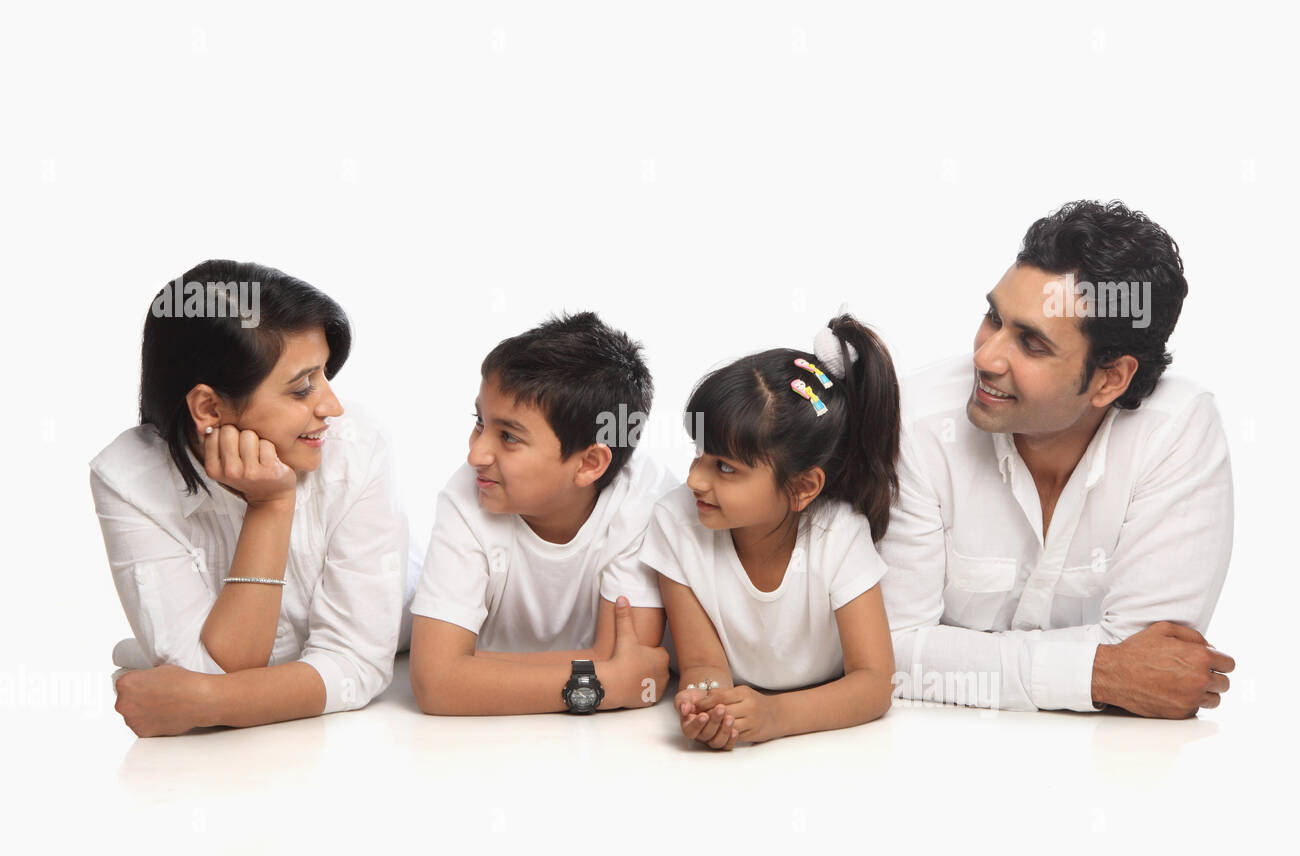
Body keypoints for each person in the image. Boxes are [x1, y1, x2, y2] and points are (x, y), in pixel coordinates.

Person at [879, 200, 1235, 717]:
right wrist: (1099, 673)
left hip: (1121, 772)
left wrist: (957, 655)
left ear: (1110, 379)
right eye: (993, 318)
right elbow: (888, 648)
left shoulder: (1177, 431)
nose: (985, 357)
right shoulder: (914, 422)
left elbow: (1159, 661)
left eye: (1031, 343)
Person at [91, 260, 410, 737]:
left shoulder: (354, 446)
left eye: (325, 375)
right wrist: (271, 507)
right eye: (303, 387)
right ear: (209, 407)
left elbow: (358, 664)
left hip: (410, 632)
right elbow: (213, 674)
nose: (332, 407)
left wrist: (203, 700)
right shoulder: (127, 479)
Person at [640, 315, 899, 749]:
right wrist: (707, 707)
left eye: (725, 467)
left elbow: (874, 683)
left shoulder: (839, 536)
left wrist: (775, 716)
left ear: (802, 488)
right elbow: (703, 663)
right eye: (700, 454)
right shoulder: (676, 521)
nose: (695, 481)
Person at [408, 312, 674, 716]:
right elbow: (434, 683)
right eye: (480, 422)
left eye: (509, 436)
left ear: (589, 464)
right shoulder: (470, 491)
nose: (475, 454)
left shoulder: (646, 498)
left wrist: (470, 671)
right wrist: (605, 683)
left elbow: (624, 653)